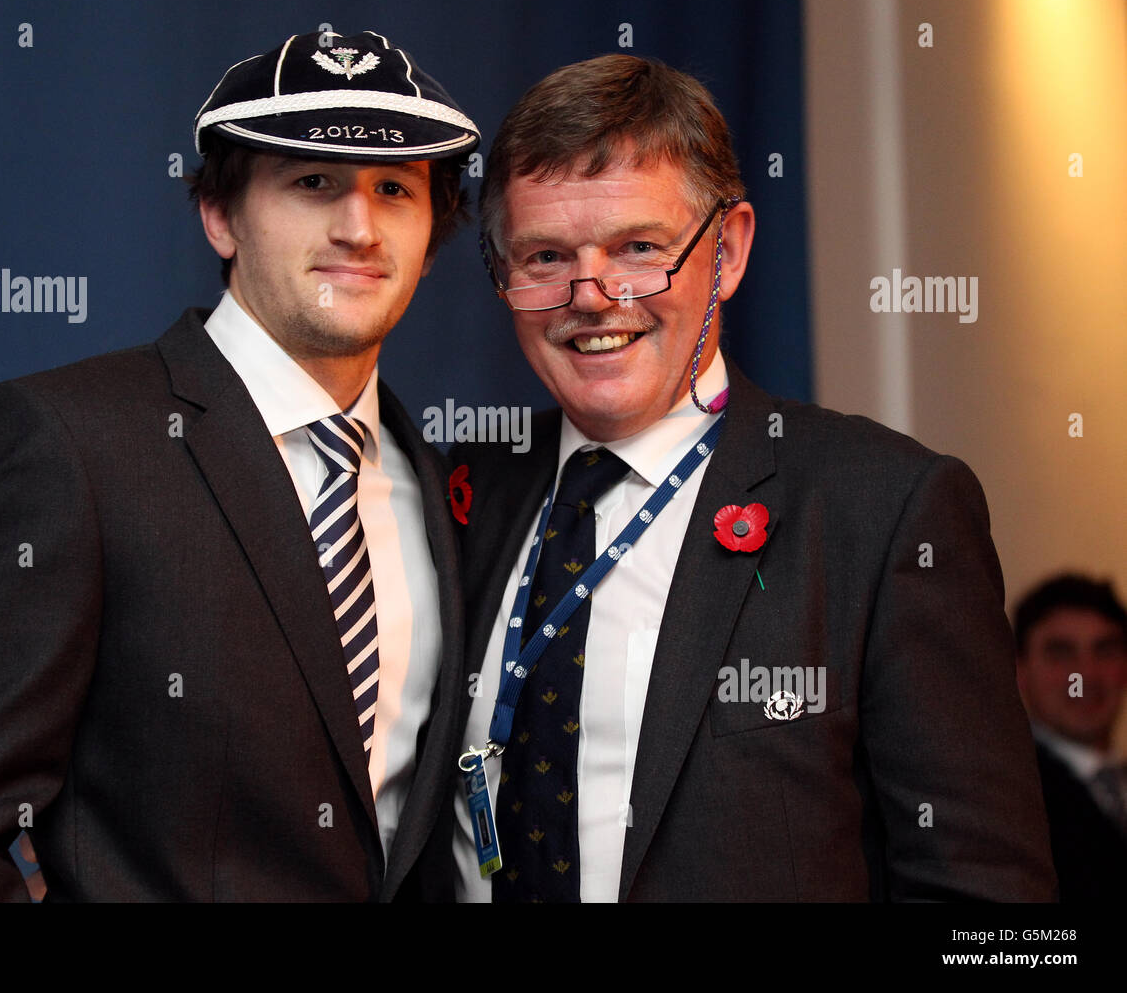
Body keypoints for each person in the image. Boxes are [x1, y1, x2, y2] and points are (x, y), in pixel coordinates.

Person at [0, 29, 478, 902]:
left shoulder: (446, 491)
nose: (357, 227)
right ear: (220, 215)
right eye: (311, 183)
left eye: (393, 189)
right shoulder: (62, 442)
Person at [441, 53, 1056, 902]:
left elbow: (989, 902)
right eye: (545, 256)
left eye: (639, 248)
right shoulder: (454, 500)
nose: (593, 295)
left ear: (726, 251)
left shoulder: (881, 509)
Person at [1014, 573, 1127, 901]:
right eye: (1061, 653)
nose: (1085, 674)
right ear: (1020, 670)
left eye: (1105, 650)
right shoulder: (1003, 797)